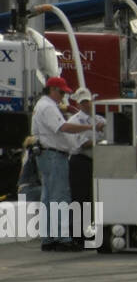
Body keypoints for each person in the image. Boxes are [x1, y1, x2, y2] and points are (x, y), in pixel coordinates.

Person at [31, 77, 94, 252]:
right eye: (61, 92)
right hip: (54, 155)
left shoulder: (41, 106)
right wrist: (88, 128)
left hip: (45, 153)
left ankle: (49, 237)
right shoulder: (48, 107)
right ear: (52, 90)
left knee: (49, 197)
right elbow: (63, 128)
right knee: (60, 197)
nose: (63, 96)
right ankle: (62, 238)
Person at [67, 87, 105, 243]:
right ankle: (77, 235)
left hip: (96, 162)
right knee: (79, 198)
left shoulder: (100, 119)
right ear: (78, 103)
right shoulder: (75, 121)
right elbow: (84, 144)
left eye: (88, 101)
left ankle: (88, 232)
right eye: (83, 102)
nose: (86, 105)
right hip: (80, 162)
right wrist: (102, 141)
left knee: (92, 198)